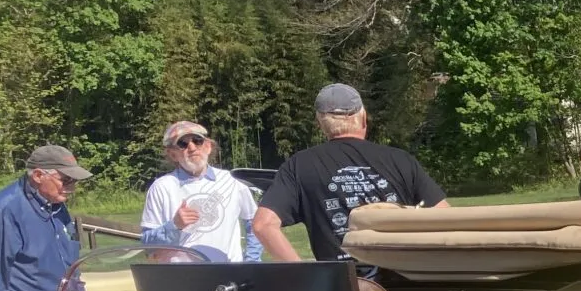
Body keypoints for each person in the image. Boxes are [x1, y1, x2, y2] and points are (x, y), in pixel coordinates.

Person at [254, 84, 447, 263]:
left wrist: (306, 275)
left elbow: (263, 225)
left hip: (341, 289)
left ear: (320, 123)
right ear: (363, 117)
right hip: (402, 282)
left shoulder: (300, 165)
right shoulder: (400, 159)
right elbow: (444, 216)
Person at [0, 145, 87, 291]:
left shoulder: (56, 204)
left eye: (75, 181)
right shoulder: (1, 210)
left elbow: (70, 259)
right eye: (66, 180)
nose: (72, 188)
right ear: (38, 175)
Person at [141, 121, 261, 263]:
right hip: (181, 278)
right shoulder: (161, 187)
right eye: (183, 144)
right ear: (172, 154)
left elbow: (255, 223)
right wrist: (175, 225)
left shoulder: (233, 181)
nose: (192, 148)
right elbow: (147, 245)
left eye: (197, 141)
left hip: (228, 275)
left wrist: (251, 261)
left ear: (208, 146)